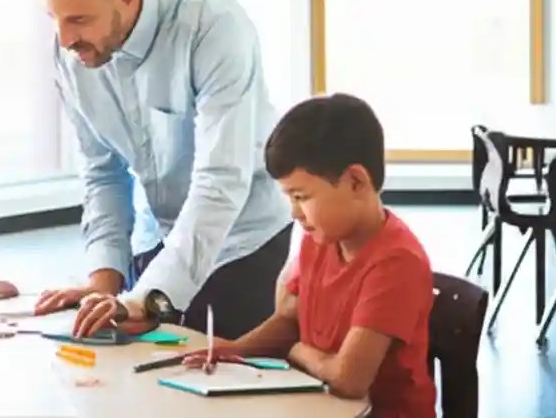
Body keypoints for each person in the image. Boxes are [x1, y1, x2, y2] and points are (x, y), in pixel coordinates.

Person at [30, 0, 294, 340]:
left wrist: (150, 297)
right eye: (55, 19)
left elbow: (221, 181)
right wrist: (104, 285)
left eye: (78, 19)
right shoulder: (72, 55)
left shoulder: (212, 23)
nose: (64, 40)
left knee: (224, 388)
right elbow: (102, 173)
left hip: (242, 240)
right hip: (159, 232)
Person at [185, 94, 436, 415]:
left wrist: (299, 352)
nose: (294, 213)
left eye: (301, 196)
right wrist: (234, 350)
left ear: (356, 181)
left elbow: (348, 380)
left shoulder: (396, 262)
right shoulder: (321, 237)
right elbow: (290, 319)